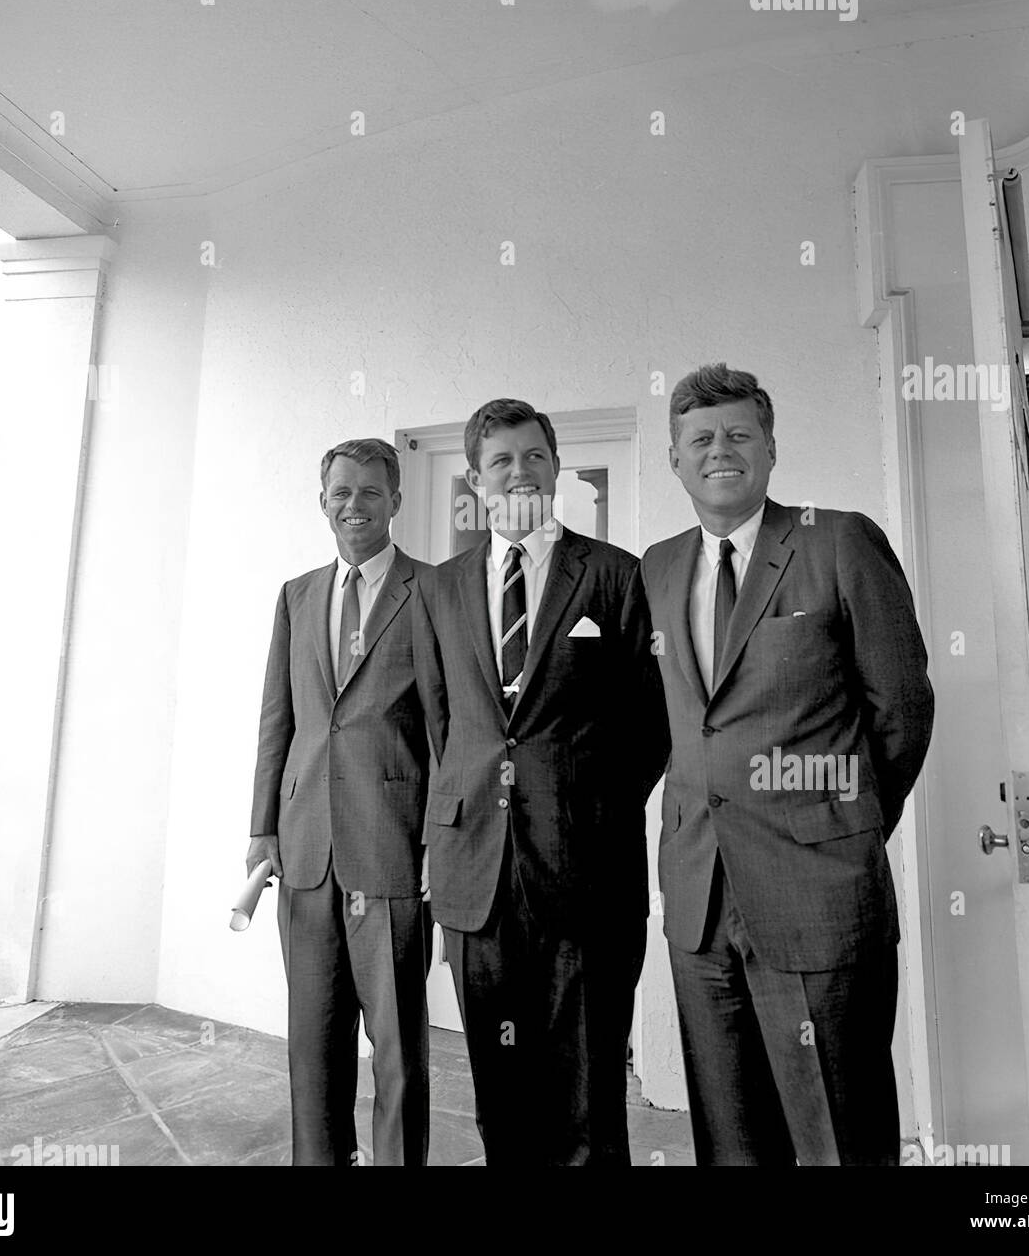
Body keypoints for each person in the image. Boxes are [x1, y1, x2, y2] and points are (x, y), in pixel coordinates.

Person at [641, 363, 934, 1166]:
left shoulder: (835, 539)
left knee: (838, 1133)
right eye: (700, 439)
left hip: (819, 894)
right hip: (699, 898)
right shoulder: (656, 568)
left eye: (739, 434)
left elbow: (902, 709)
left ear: (770, 447)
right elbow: (660, 726)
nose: (720, 450)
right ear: (675, 460)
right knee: (730, 1137)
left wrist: (841, 827)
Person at [410, 399, 668, 1165]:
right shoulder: (440, 587)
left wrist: (588, 812)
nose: (518, 472)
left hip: (587, 873)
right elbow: (440, 723)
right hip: (475, 874)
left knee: (589, 1092)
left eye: (532, 456)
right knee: (501, 1089)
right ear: (475, 478)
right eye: (500, 461)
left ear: (556, 466)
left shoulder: (617, 575)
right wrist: (440, 834)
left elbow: (648, 724)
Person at [247, 437, 433, 1166]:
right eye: (341, 492)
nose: (354, 505)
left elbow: (447, 723)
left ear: (396, 500)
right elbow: (277, 720)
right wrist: (263, 829)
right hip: (305, 851)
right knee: (313, 1043)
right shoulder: (297, 596)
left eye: (369, 492)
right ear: (323, 500)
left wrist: (439, 841)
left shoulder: (433, 590)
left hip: (391, 845)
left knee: (399, 1049)